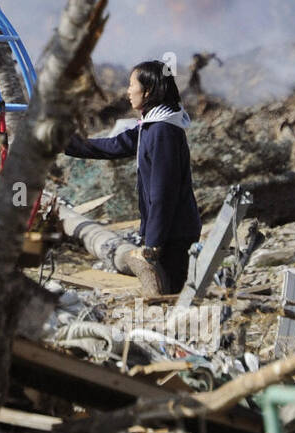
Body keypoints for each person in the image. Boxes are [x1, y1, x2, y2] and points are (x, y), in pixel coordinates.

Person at [64, 60, 202, 293]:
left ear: (147, 91)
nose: (128, 91)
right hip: (167, 231)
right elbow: (114, 146)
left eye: (131, 85)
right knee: (165, 294)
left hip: (174, 233)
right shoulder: (151, 126)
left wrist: (154, 243)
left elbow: (163, 193)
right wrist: (64, 143)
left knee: (169, 296)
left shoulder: (162, 131)